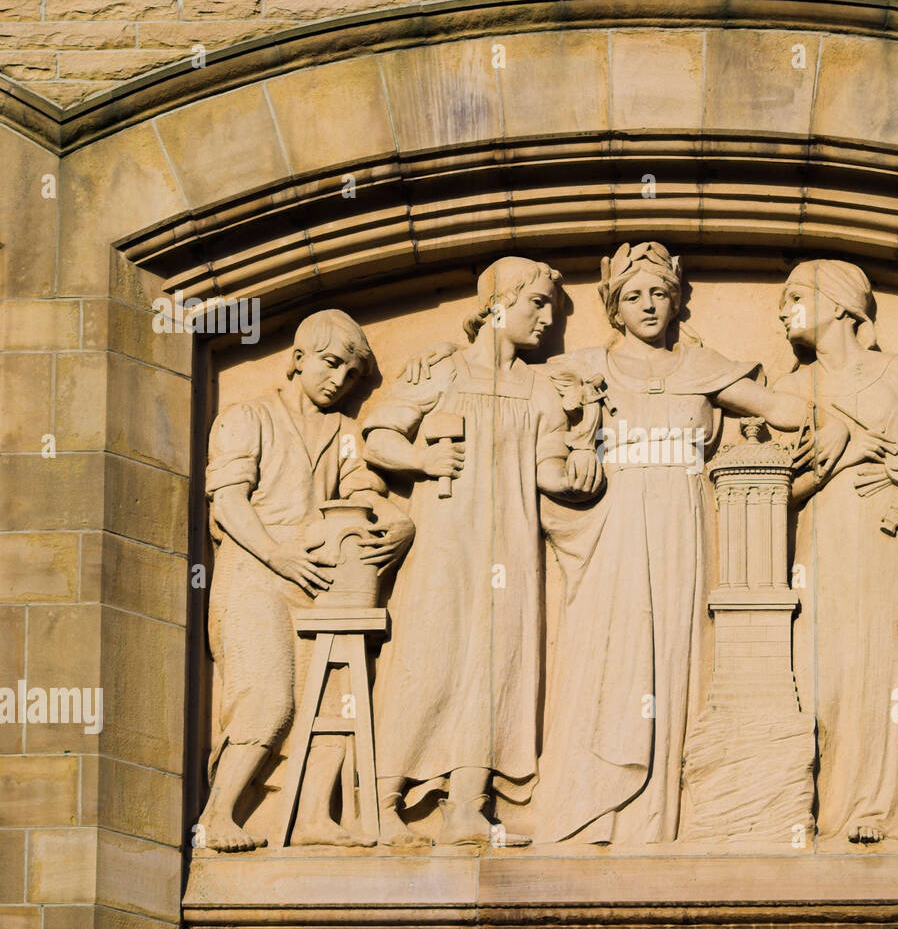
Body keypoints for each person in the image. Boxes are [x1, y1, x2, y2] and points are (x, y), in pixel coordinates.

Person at [530, 242, 841, 844]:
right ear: (614, 306)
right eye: (633, 296)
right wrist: (441, 357)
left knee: (677, 658)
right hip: (611, 530)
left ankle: (663, 820)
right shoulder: (582, 366)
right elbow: (512, 388)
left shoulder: (702, 368)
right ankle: (593, 809)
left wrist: (844, 410)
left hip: (683, 528)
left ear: (676, 302)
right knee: (604, 657)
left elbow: (786, 409)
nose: (648, 305)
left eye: (659, 294)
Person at [363, 257, 600, 846]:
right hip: (445, 541)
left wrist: (584, 464)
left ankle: (468, 804)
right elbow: (378, 435)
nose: (549, 320)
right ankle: (382, 802)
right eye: (537, 304)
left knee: (498, 666)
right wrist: (420, 459)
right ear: (498, 302)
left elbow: (549, 473)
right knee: (429, 659)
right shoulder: (441, 370)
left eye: (554, 308)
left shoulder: (540, 388)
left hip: (512, 549)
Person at [200, 309, 413, 852]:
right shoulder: (248, 416)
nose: (338, 381)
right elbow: (228, 502)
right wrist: (277, 555)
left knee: (340, 696)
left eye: (351, 375)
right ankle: (218, 814)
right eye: (331, 364)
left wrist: (401, 525)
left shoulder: (344, 432)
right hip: (255, 576)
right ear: (298, 359)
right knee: (270, 698)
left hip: (321, 584)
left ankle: (316, 815)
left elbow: (363, 491)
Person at [772, 260, 898, 844]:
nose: (782, 310)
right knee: (822, 672)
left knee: (885, 663)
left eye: (795, 297)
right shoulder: (787, 391)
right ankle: (811, 803)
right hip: (818, 542)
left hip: (888, 535)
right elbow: (774, 492)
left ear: (840, 305)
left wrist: (888, 466)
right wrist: (842, 450)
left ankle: (879, 806)